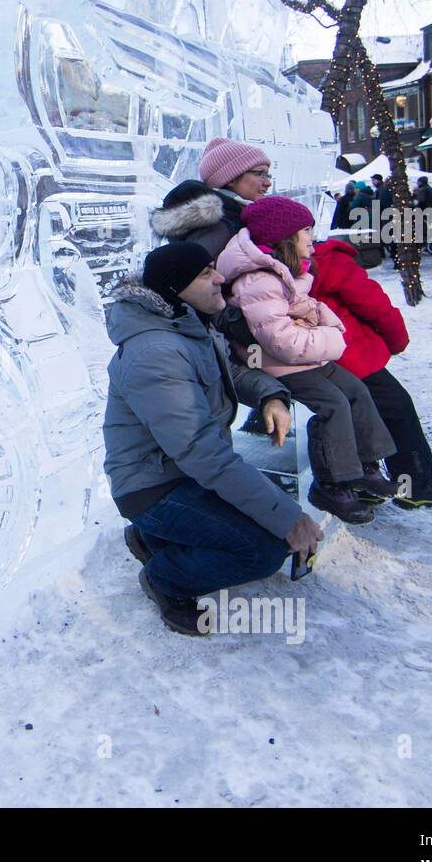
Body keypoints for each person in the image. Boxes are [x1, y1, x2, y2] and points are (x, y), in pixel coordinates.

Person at [103, 242, 324, 636]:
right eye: (206, 273)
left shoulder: (187, 324)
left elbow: (230, 375)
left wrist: (270, 394)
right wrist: (290, 519)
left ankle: (153, 537)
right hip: (154, 486)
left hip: (184, 473)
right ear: (175, 288)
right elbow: (201, 453)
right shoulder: (155, 352)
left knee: (263, 516)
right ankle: (165, 578)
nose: (220, 277)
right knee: (264, 549)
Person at [217, 196, 398, 524]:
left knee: (356, 390)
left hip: (303, 356)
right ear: (285, 237)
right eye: (306, 231)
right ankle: (330, 483)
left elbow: (307, 308)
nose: (312, 238)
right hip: (274, 362)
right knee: (333, 404)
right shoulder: (258, 280)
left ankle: (366, 464)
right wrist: (329, 337)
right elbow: (282, 341)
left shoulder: (284, 272)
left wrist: (320, 323)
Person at [310, 236, 432, 509]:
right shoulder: (330, 260)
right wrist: (397, 341)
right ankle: (414, 483)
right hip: (350, 353)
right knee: (396, 408)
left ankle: (363, 481)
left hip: (314, 355)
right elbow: (375, 305)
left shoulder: (282, 263)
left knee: (357, 413)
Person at [149, 137, 273, 257]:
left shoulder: (232, 216)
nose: (268, 183)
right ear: (231, 178)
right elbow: (194, 273)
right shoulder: (221, 225)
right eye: (259, 174)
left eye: (268, 175)